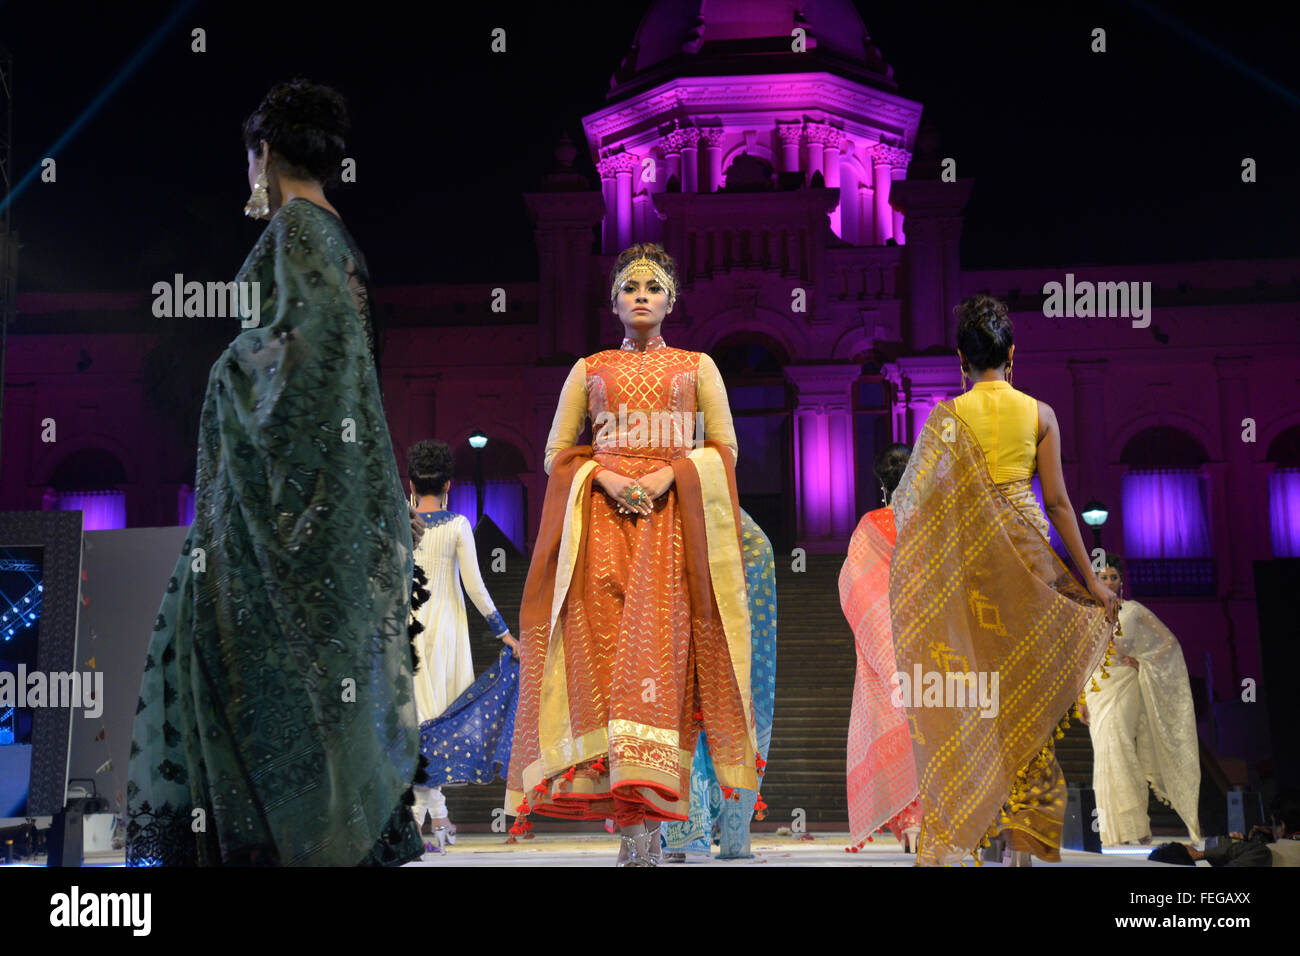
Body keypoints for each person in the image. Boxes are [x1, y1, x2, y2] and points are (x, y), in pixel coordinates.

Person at [126, 79, 427, 866]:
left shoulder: (298, 230)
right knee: (313, 691)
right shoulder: (337, 233)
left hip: (272, 518)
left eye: (248, 157)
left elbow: (302, 367)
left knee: (226, 665)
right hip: (315, 507)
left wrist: (230, 366)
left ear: (264, 155)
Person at [505, 242, 772, 866]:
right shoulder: (588, 368)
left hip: (673, 532)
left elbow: (725, 452)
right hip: (600, 530)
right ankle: (634, 833)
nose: (642, 295)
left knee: (661, 678)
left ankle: (648, 831)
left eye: (654, 287)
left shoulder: (699, 367)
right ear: (614, 301)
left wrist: (667, 476)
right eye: (630, 287)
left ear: (672, 300)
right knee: (605, 673)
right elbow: (554, 455)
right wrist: (600, 477)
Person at [888, 293, 1118, 867]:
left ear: (961, 360)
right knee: (1029, 707)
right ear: (1012, 354)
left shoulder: (948, 417)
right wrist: (1091, 581)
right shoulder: (1040, 414)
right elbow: (1061, 505)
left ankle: (973, 826)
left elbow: (919, 506)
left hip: (971, 576)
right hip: (1032, 569)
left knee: (978, 704)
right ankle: (1023, 848)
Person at [405, 439, 519, 850]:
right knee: (429, 731)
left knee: (421, 729)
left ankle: (432, 823)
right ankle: (432, 823)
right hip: (446, 635)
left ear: (411, 485)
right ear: (449, 484)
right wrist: (504, 633)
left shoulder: (402, 523)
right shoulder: (457, 526)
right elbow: (475, 585)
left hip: (408, 631)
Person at [662, 510, 777, 861]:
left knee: (693, 711)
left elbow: (759, 550)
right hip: (688, 619)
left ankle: (695, 833)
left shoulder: (728, 518)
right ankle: (688, 831)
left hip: (707, 629)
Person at [1079, 553, 1201, 846]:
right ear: (1094, 580)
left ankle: (1136, 828)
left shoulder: (1133, 611)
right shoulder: (1086, 613)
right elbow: (1081, 659)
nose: (1108, 582)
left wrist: (1142, 661)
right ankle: (1111, 832)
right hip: (1096, 690)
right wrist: (1080, 698)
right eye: (1103, 577)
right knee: (1105, 755)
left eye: (1113, 577)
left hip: (1125, 683)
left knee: (1120, 745)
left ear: (1121, 581)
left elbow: (1168, 641)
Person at [839, 442, 922, 853]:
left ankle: (910, 825)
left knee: (893, 716)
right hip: (927, 634)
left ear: (882, 484)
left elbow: (855, 586)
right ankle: (930, 819)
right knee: (929, 722)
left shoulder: (870, 525)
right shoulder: (931, 522)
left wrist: (876, 638)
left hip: (885, 636)